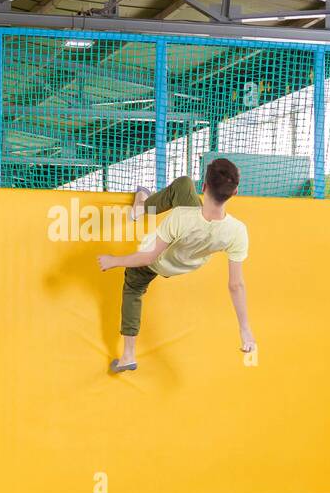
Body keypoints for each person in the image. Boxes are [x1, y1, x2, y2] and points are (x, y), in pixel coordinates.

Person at [97, 158, 254, 372]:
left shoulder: (180, 217)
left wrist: (113, 261)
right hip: (187, 262)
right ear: (235, 192)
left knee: (133, 287)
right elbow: (236, 285)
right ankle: (142, 207)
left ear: (205, 187)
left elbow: (148, 257)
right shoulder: (237, 231)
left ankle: (128, 355)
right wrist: (244, 328)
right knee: (183, 185)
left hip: (158, 261)